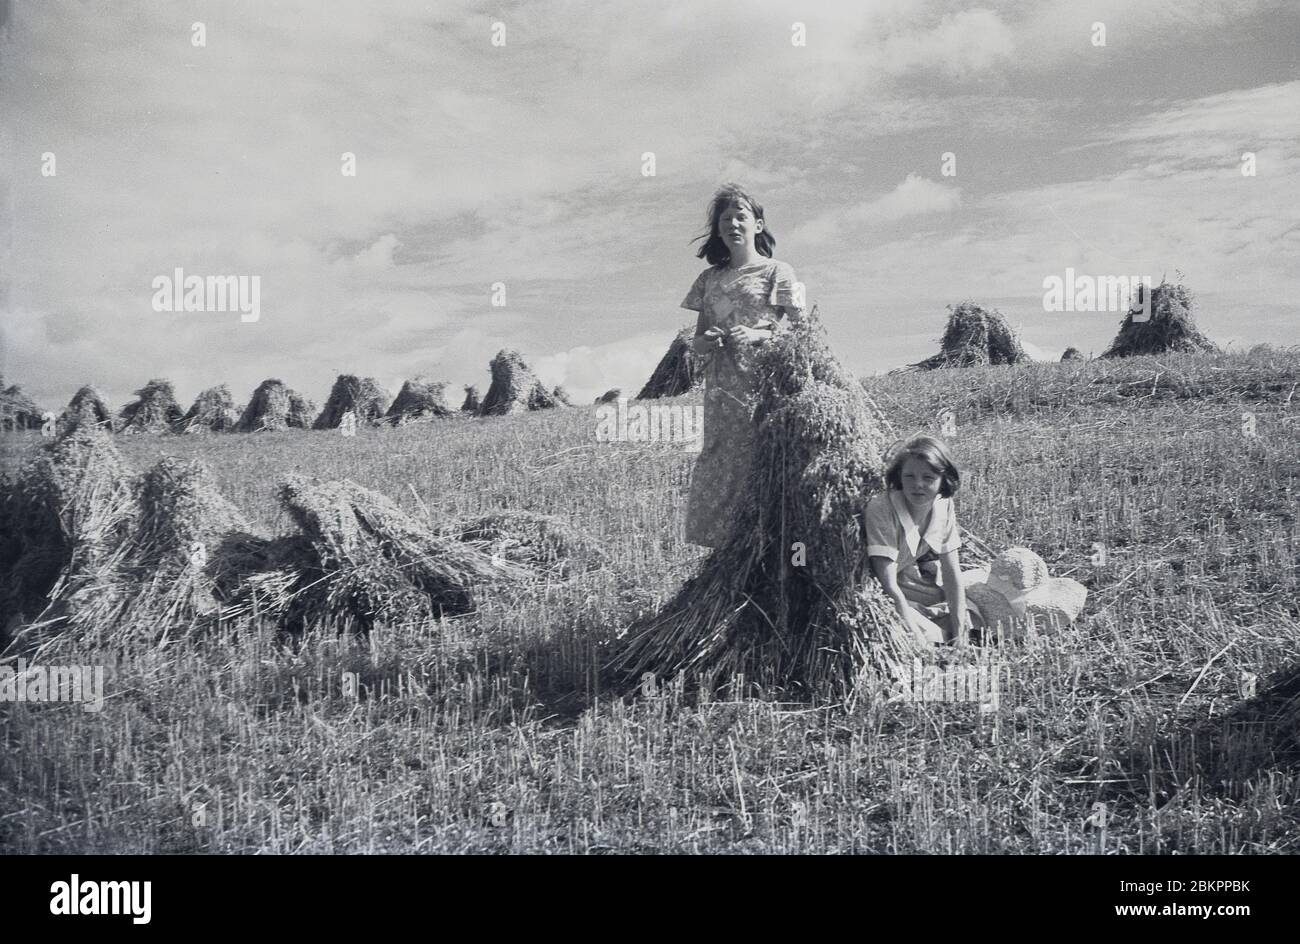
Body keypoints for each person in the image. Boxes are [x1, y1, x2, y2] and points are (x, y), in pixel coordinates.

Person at [679, 183, 807, 548]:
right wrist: (711, 339)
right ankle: (729, 547)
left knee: (762, 457)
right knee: (722, 456)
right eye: (725, 219)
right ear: (718, 230)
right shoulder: (709, 279)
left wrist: (757, 335)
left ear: (758, 224)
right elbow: (698, 342)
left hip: (765, 379)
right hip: (722, 386)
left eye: (741, 216)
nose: (733, 224)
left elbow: (803, 331)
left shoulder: (778, 271)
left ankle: (768, 539)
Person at [864, 435, 986, 646]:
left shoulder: (943, 505)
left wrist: (960, 632)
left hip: (912, 580)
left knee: (972, 616)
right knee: (921, 635)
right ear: (899, 477)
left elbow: (951, 570)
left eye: (928, 478)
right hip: (883, 588)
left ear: (943, 481)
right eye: (909, 476)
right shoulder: (882, 509)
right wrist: (915, 633)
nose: (917, 485)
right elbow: (888, 585)